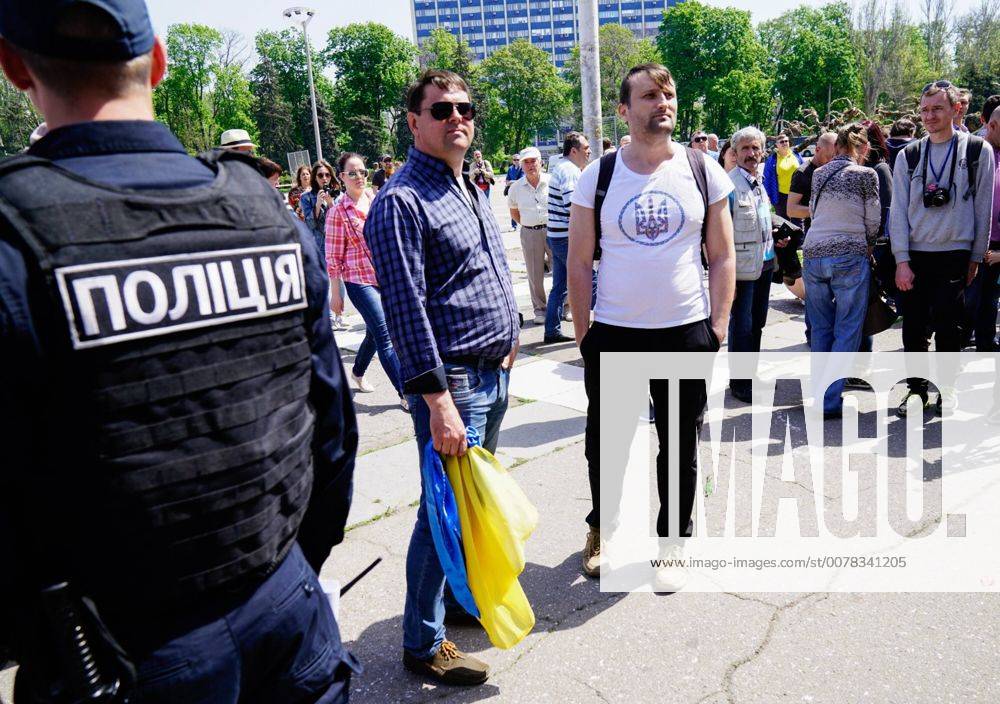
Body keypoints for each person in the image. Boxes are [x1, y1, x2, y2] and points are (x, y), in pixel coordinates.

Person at [0, 2, 360, 701]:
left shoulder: (15, 236)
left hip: (128, 650)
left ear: (13, 66)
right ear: (158, 61)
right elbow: (333, 427)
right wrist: (290, 568)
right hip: (281, 612)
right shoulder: (263, 212)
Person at [364, 69, 519, 687]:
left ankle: (459, 602)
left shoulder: (469, 186)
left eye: (464, 107)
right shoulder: (401, 202)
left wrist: (508, 341)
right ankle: (423, 642)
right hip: (451, 384)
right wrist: (438, 401)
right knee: (442, 513)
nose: (457, 117)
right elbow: (405, 313)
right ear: (414, 122)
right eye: (441, 109)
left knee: (469, 509)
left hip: (490, 374)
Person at [567, 63, 735, 590]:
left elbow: (723, 254)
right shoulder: (601, 174)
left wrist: (718, 326)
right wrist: (583, 332)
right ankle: (603, 531)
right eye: (648, 96)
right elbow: (577, 259)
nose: (662, 102)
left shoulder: (704, 170)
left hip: (685, 331)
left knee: (679, 444)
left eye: (669, 93)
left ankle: (673, 541)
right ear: (624, 109)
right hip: (614, 332)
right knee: (606, 443)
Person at [889, 81, 996, 416]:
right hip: (917, 254)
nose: (929, 116)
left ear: (956, 109)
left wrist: (976, 257)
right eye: (924, 110)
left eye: (937, 108)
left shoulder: (978, 151)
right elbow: (898, 211)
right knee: (914, 328)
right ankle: (916, 390)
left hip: (955, 254)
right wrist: (901, 260)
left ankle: (947, 390)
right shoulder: (909, 154)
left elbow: (982, 209)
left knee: (951, 327)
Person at [802, 124, 881, 417]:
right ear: (861, 148)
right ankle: (829, 400)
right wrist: (869, 245)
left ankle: (820, 394)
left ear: (836, 147)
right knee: (847, 328)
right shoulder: (866, 175)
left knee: (821, 328)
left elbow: (812, 211)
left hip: (813, 254)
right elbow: (873, 218)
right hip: (848, 254)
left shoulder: (820, 174)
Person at [328, 152, 406, 406]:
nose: (359, 177)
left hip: (383, 276)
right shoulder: (338, 211)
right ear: (341, 177)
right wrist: (336, 293)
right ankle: (407, 394)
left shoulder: (375, 199)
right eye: (352, 173)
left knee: (374, 333)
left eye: (362, 171)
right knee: (385, 333)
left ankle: (357, 371)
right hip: (357, 280)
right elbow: (333, 257)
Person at [726, 127, 782, 403]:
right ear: (734, 154)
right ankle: (739, 382)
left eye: (755, 148)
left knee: (757, 324)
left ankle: (750, 375)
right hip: (742, 270)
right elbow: (720, 236)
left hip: (765, 263)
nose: (750, 154)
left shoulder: (758, 182)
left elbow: (762, 219)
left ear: (762, 152)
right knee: (742, 326)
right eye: (745, 149)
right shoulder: (729, 186)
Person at [544, 131, 591, 343]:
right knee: (593, 283)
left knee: (560, 285)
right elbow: (573, 207)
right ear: (574, 150)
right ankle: (604, 332)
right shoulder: (570, 171)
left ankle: (551, 330)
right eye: (586, 148)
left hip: (556, 235)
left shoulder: (562, 167)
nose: (589, 152)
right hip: (566, 237)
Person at [962, 109, 1000, 351]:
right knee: (967, 305)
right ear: (993, 125)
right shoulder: (974, 152)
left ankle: (987, 348)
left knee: (989, 304)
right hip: (972, 244)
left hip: (996, 248)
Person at [301, 160, 347, 330]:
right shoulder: (306, 197)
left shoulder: (339, 195)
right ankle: (327, 317)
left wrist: (330, 203)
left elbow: (341, 220)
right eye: (320, 175)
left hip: (337, 244)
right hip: (318, 243)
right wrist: (319, 204)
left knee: (338, 279)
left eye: (327, 175)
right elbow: (311, 224)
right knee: (323, 281)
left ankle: (339, 315)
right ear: (315, 177)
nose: (324, 178)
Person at [508, 146, 551, 326]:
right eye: (526, 162)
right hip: (530, 232)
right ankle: (540, 310)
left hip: (553, 230)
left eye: (534, 161)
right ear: (522, 165)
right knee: (534, 274)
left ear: (541, 162)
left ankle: (566, 306)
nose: (531, 165)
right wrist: (529, 223)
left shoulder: (552, 181)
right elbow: (514, 212)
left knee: (563, 270)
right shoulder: (516, 187)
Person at [787, 132, 837, 228]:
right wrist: (822, 211)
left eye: (836, 156)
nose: (833, 161)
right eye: (830, 157)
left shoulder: (834, 167)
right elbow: (791, 210)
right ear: (817, 149)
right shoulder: (802, 173)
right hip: (815, 231)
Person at [763, 132, 804, 220]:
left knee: (798, 222)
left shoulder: (796, 155)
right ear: (776, 145)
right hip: (781, 196)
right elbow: (766, 179)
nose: (785, 143)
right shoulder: (772, 160)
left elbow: (805, 171)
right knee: (783, 223)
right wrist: (767, 195)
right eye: (781, 142)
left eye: (786, 141)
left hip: (797, 195)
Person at [504, 153, 523, 228]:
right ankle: (513, 226)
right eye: (514, 160)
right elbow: (507, 180)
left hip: (521, 191)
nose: (516, 161)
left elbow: (522, 180)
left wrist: (512, 182)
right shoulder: (510, 169)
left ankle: (524, 224)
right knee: (513, 208)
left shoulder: (522, 168)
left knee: (522, 208)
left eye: (517, 160)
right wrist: (510, 182)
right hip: (512, 191)